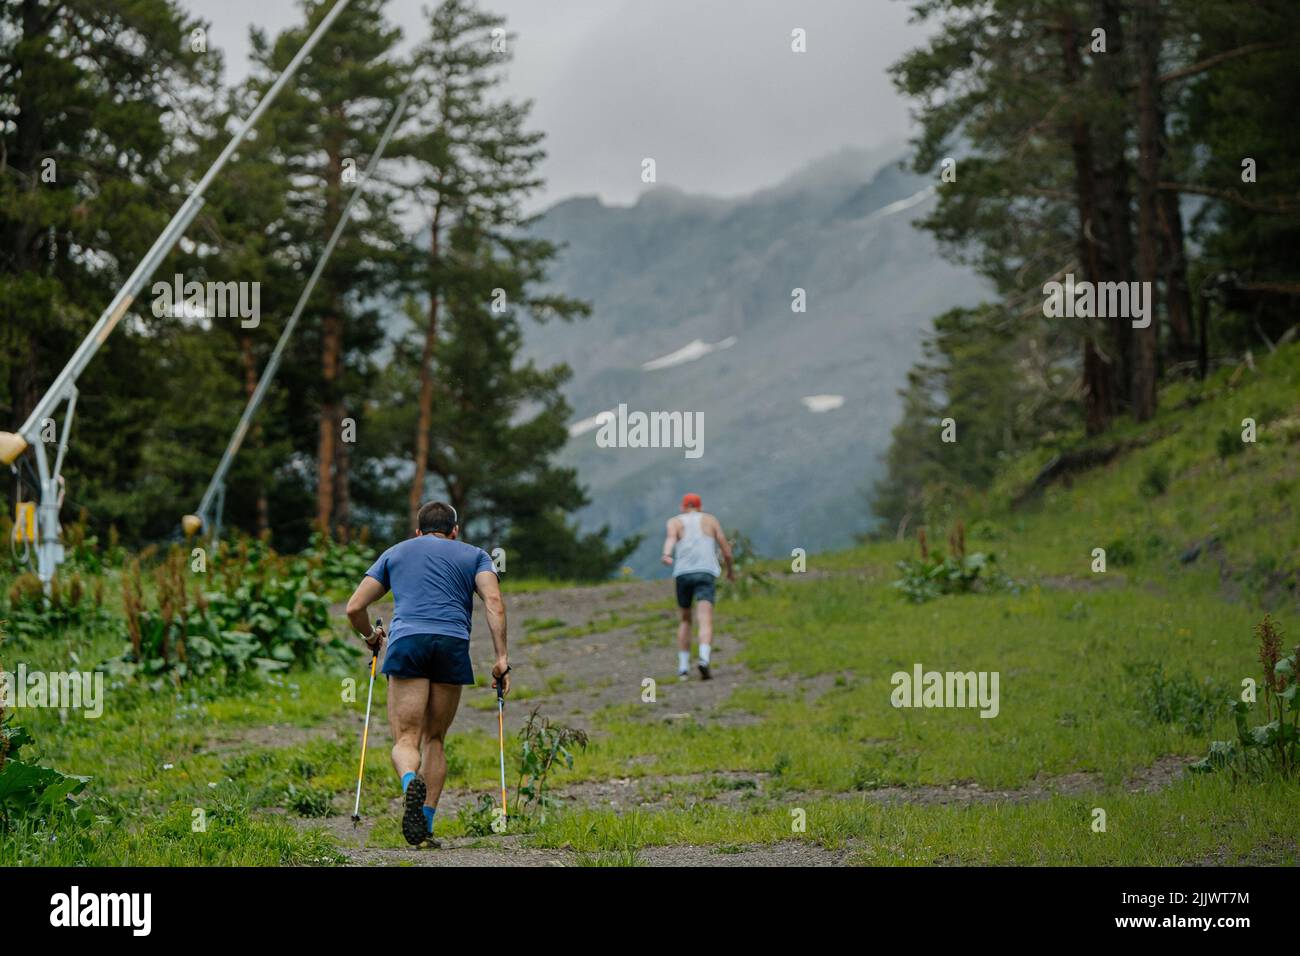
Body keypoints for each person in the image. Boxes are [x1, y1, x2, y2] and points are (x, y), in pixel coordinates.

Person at [345, 501, 510, 847]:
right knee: (435, 738)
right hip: (451, 644)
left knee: (406, 738)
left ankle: (410, 785)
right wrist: (501, 658)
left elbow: (355, 607)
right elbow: (493, 602)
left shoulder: (396, 553)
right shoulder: (476, 555)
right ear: (455, 531)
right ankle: (427, 822)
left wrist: (371, 637)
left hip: (407, 643)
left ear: (417, 532)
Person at [661, 493, 734, 680]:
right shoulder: (710, 520)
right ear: (700, 506)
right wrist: (730, 571)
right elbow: (725, 549)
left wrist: (667, 554)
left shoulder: (675, 522)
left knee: (685, 619)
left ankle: (683, 668)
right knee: (705, 618)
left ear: (682, 507)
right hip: (705, 572)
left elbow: (670, 538)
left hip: (683, 573)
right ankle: (704, 658)